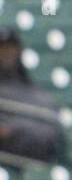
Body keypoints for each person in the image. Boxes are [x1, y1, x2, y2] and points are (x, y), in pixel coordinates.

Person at [0, 27, 64, 164]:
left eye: (9, 47)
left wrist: (11, 133)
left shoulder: (34, 93)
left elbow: (49, 134)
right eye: (1, 48)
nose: (5, 53)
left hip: (26, 163)